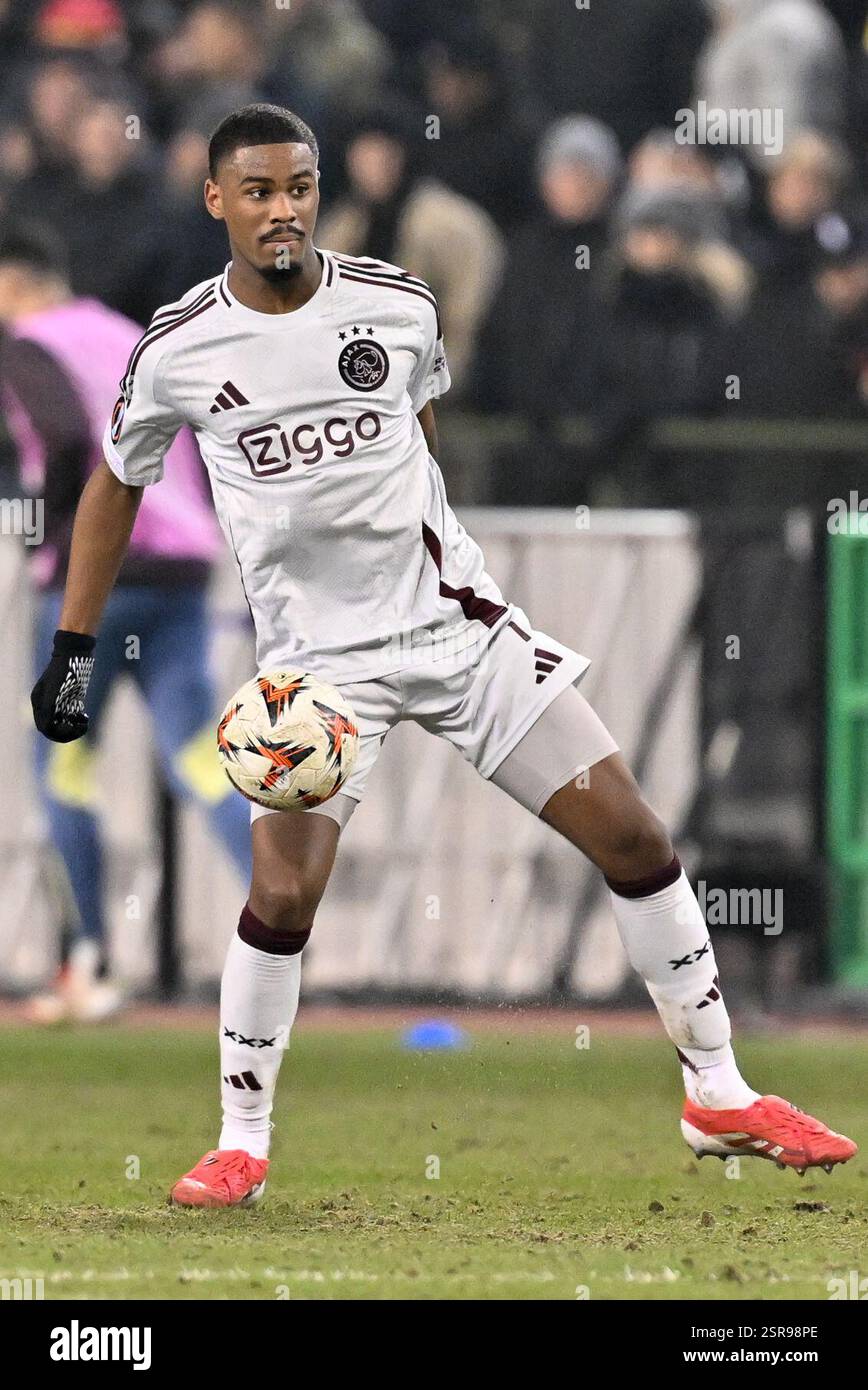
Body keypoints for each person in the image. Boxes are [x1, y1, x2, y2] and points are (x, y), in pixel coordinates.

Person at [31, 104, 856, 1206]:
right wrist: (74, 646)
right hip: (317, 667)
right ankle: (242, 1138)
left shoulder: (397, 305)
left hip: (456, 627)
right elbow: (111, 487)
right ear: (216, 201)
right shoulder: (179, 349)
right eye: (261, 192)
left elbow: (416, 436)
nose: (285, 210)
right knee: (282, 892)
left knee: (633, 832)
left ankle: (716, 1089)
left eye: (301, 187)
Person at [0, 225, 252, 1021]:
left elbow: (63, 440)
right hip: (179, 570)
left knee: (64, 764)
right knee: (199, 757)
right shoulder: (129, 332)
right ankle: (284, 929)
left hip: (93, 585)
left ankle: (91, 964)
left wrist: (41, 534)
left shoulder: (28, 344)